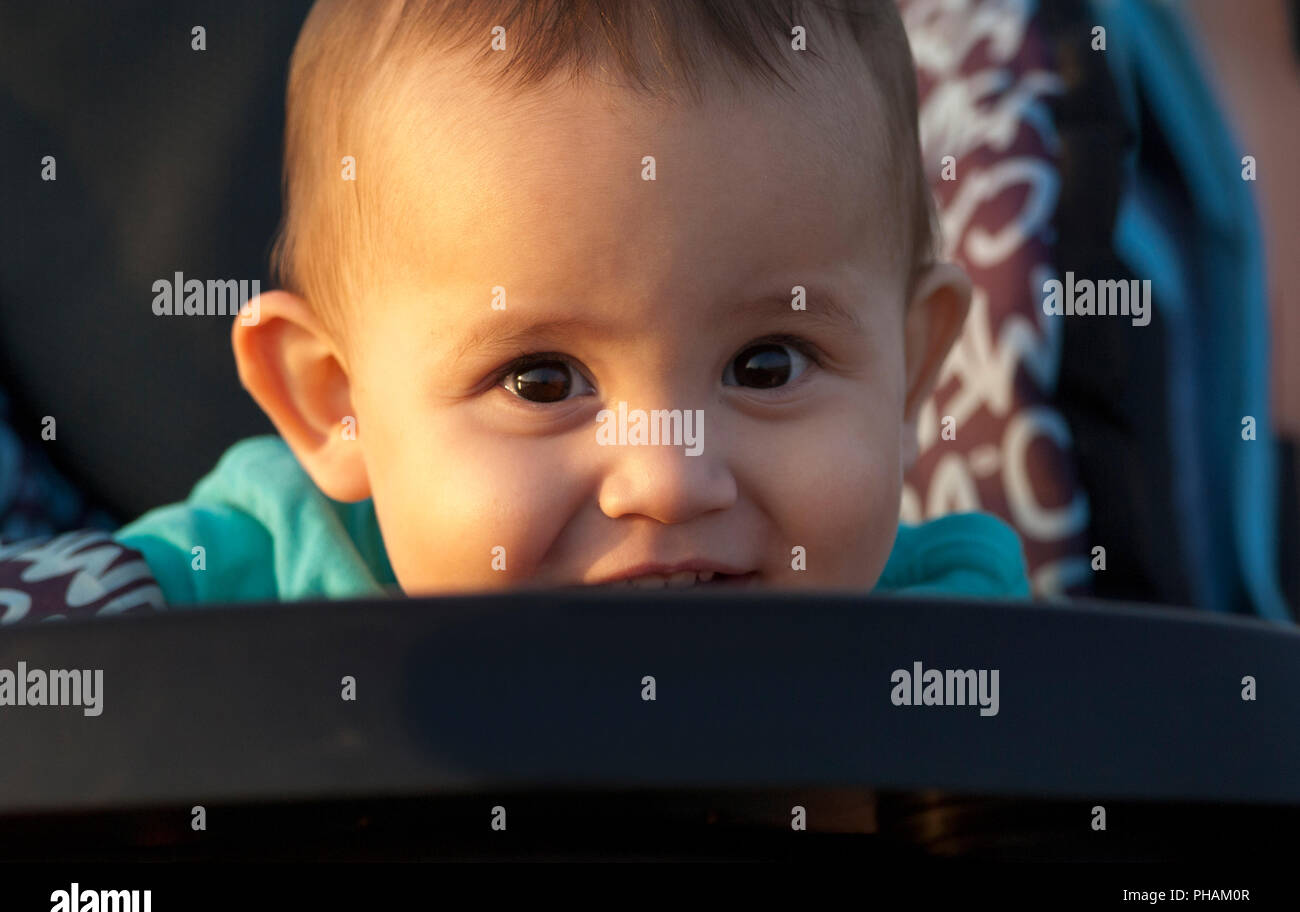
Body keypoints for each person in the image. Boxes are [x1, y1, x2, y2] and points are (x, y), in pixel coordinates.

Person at [114, 0, 1029, 605]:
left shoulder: (950, 649)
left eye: (768, 364)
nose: (669, 479)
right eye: (543, 380)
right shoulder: (234, 578)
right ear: (338, 404)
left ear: (911, 372)